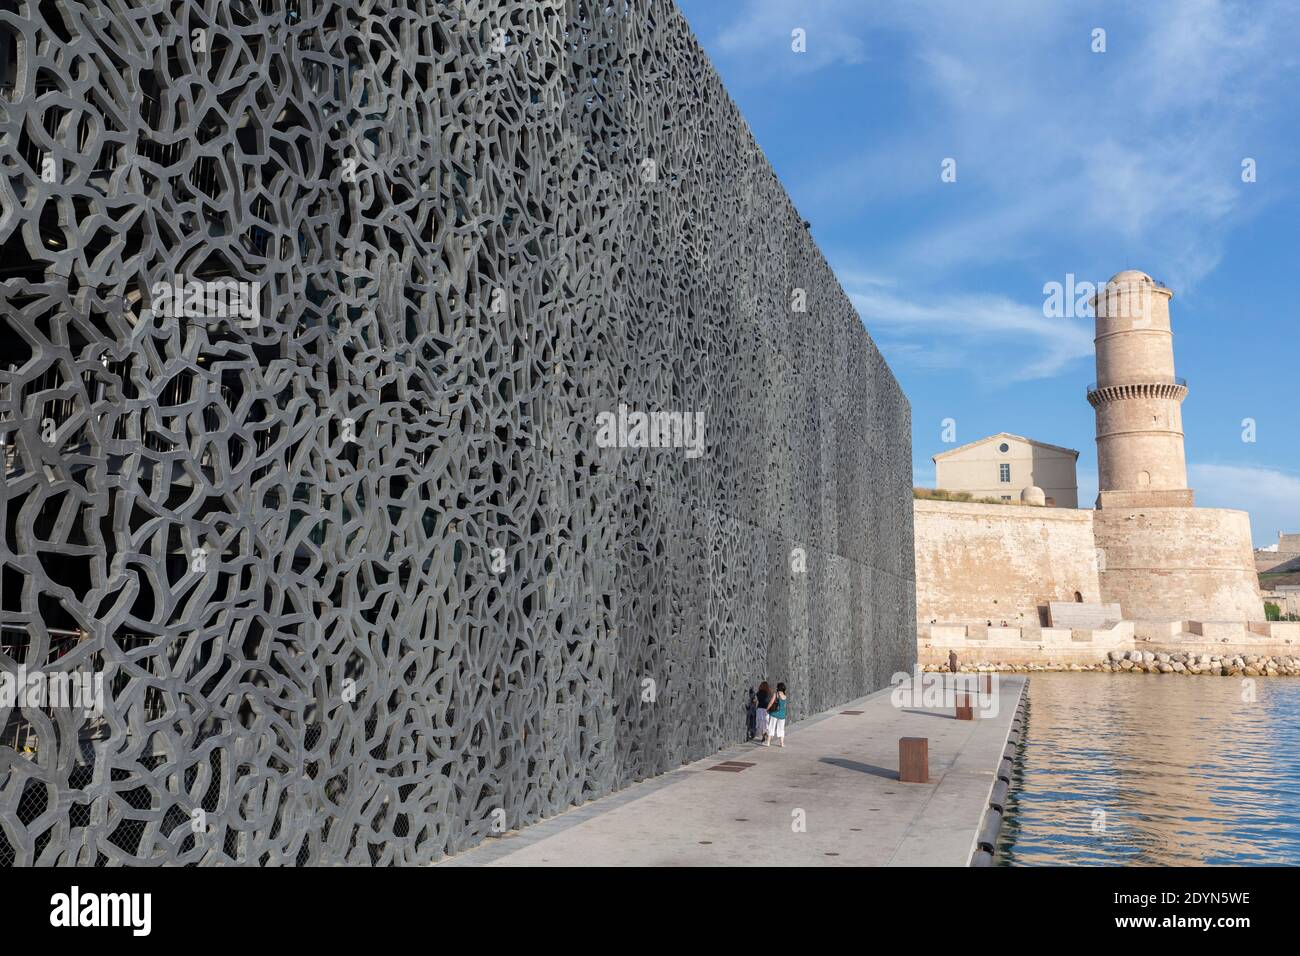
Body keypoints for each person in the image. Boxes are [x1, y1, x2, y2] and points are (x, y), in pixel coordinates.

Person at [765, 683, 788, 747]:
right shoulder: (785, 696)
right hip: (782, 715)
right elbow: (784, 706)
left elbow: (771, 702)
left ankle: (768, 743)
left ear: (778, 687)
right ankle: (782, 744)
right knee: (781, 729)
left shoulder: (776, 694)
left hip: (774, 714)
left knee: (771, 727)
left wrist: (767, 709)